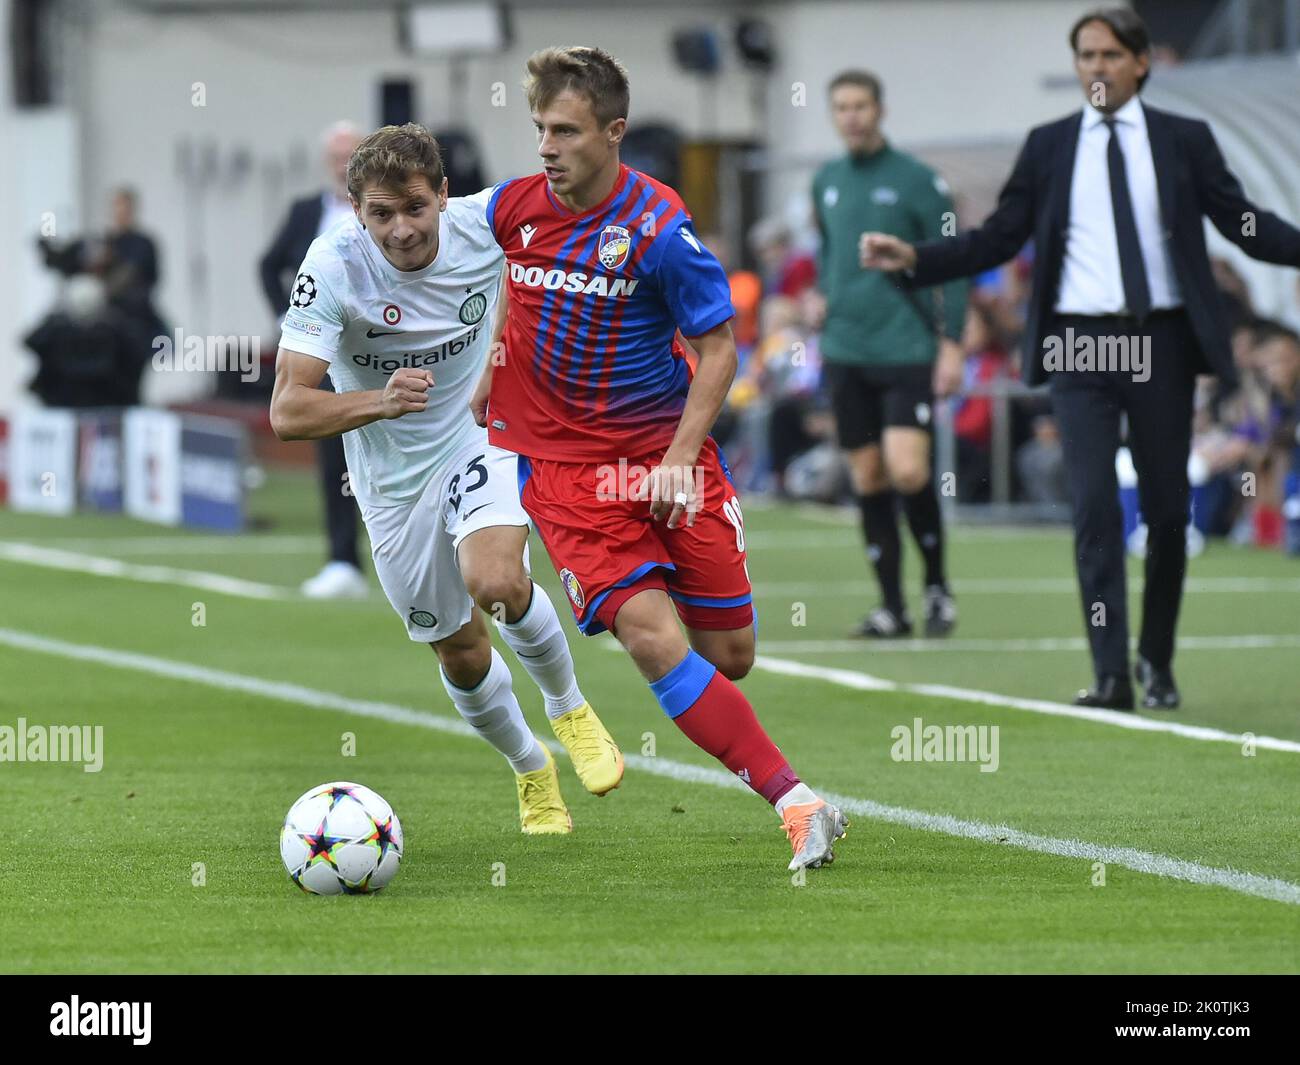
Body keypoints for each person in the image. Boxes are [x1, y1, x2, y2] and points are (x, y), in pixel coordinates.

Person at [471, 46, 848, 871]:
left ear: (613, 133)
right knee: (648, 634)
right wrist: (495, 352)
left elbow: (718, 347)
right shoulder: (511, 208)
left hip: (666, 460)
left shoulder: (657, 227)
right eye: (539, 128)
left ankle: (661, 596)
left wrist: (680, 456)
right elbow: (478, 261)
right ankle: (798, 801)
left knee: (731, 655)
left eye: (564, 130)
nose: (546, 147)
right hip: (568, 476)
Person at [860, 7, 1300, 710]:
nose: (1094, 67)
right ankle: (1110, 673)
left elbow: (1242, 221)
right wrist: (920, 257)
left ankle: (1155, 659)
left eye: (1108, 55)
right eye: (1084, 56)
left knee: (1163, 512)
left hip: (1160, 341)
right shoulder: (1049, 145)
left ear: (1141, 63)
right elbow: (1000, 235)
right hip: (1077, 344)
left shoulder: (1185, 140)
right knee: (1094, 505)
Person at [270, 124, 623, 835]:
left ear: (444, 196)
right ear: (355, 208)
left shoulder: (485, 226)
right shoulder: (332, 265)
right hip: (391, 482)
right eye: (380, 214)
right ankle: (530, 765)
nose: (400, 230)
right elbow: (287, 409)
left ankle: (569, 707)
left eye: (415, 208)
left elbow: (589, 196)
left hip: (478, 436)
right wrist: (380, 399)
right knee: (460, 653)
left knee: (496, 578)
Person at [812, 70, 968, 638]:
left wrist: (952, 344)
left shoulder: (919, 181)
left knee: (908, 470)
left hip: (906, 345)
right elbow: (832, 255)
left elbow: (953, 264)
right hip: (845, 348)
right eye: (842, 107)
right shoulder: (826, 180)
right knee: (870, 476)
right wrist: (823, 300)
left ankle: (937, 589)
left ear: (880, 110)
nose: (851, 116)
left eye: (861, 106)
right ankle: (891, 608)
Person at [261, 122, 368, 600]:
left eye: (352, 155)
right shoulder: (308, 212)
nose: (344, 164)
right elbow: (268, 263)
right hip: (327, 352)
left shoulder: (389, 211)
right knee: (333, 452)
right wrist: (290, 317)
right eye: (337, 156)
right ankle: (343, 559)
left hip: (387, 347)